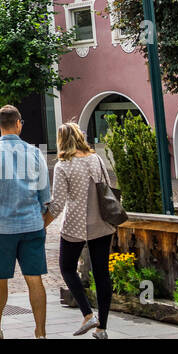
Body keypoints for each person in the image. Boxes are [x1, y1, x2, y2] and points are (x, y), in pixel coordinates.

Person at [0, 105, 51, 339]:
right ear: (19, 123)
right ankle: (40, 332)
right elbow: (45, 195)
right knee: (34, 278)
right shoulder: (35, 153)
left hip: (1, 226)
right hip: (31, 224)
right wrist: (39, 217)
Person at [50, 123, 115, 339]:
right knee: (102, 273)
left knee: (67, 267)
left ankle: (88, 314)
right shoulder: (95, 158)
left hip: (75, 225)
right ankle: (102, 328)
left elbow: (57, 204)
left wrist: (43, 219)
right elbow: (107, 185)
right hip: (102, 222)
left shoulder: (63, 165)